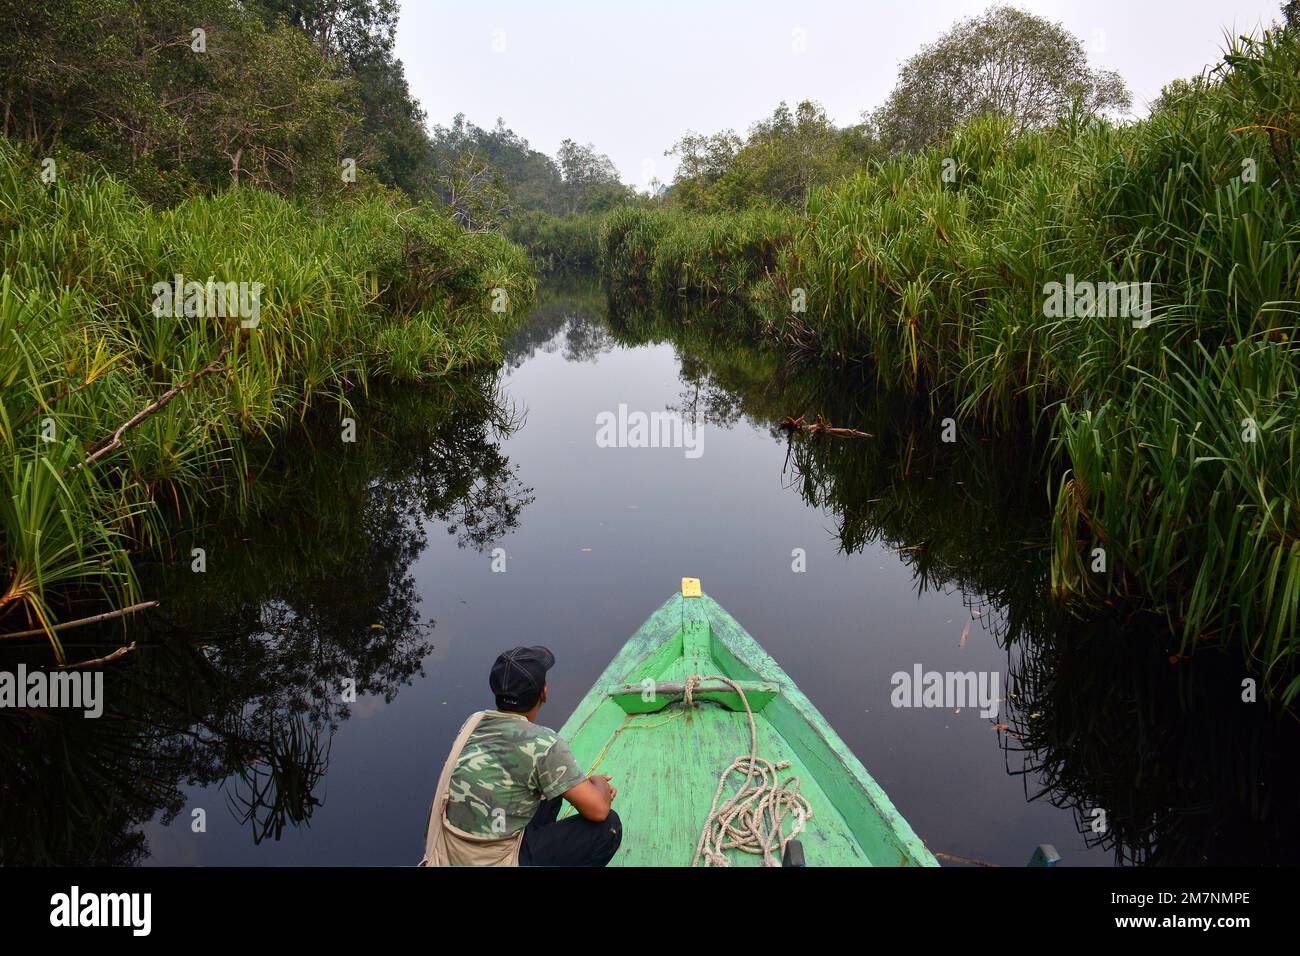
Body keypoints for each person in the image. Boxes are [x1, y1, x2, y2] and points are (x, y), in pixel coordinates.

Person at [420, 645, 622, 867]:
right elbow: (599, 811)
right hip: (495, 860)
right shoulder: (544, 744)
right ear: (544, 692)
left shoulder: (474, 722)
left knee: (551, 791)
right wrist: (597, 783)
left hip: (453, 851)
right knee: (608, 828)